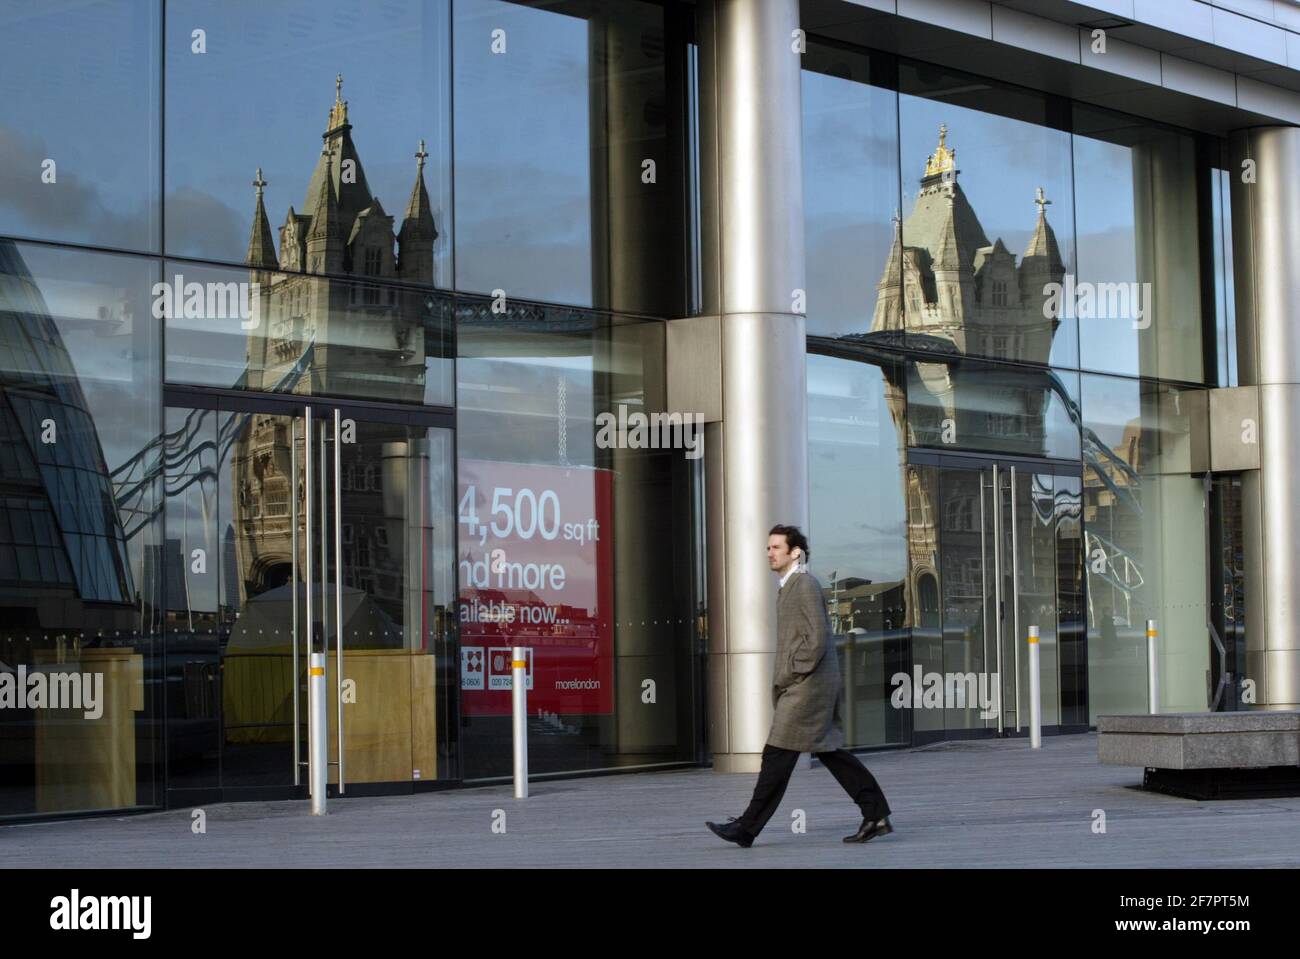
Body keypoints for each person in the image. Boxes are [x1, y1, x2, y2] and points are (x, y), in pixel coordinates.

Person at [706, 524, 893, 847]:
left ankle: (746, 828)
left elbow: (818, 637)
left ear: (796, 552)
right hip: (809, 684)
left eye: (776, 547)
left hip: (808, 687)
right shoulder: (790, 586)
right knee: (831, 752)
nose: (770, 553)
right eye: (768, 547)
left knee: (776, 754)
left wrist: (793, 672)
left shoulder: (803, 584)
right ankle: (875, 814)